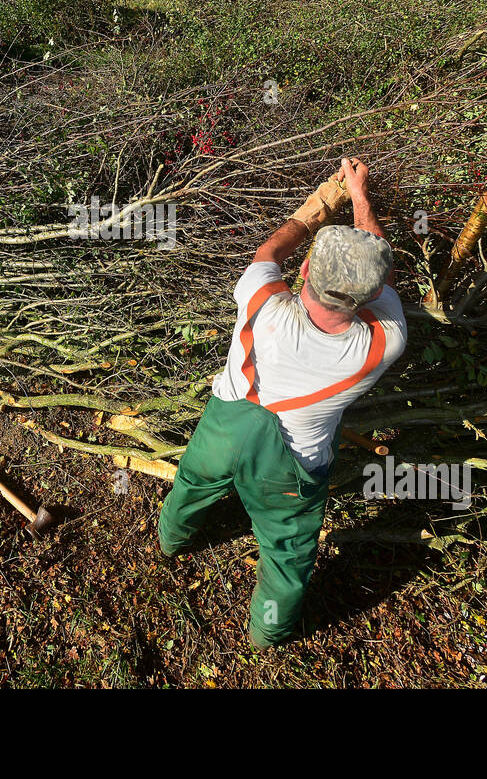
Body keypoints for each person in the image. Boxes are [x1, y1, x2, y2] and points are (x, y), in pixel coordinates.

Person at [158, 158, 407, 649]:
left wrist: (322, 204)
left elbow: (269, 248)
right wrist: (361, 196)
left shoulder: (261, 300)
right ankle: (267, 634)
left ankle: (172, 540)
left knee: (192, 482)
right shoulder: (383, 342)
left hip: (223, 429)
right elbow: (383, 265)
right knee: (288, 550)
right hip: (290, 467)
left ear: (307, 270)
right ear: (373, 294)